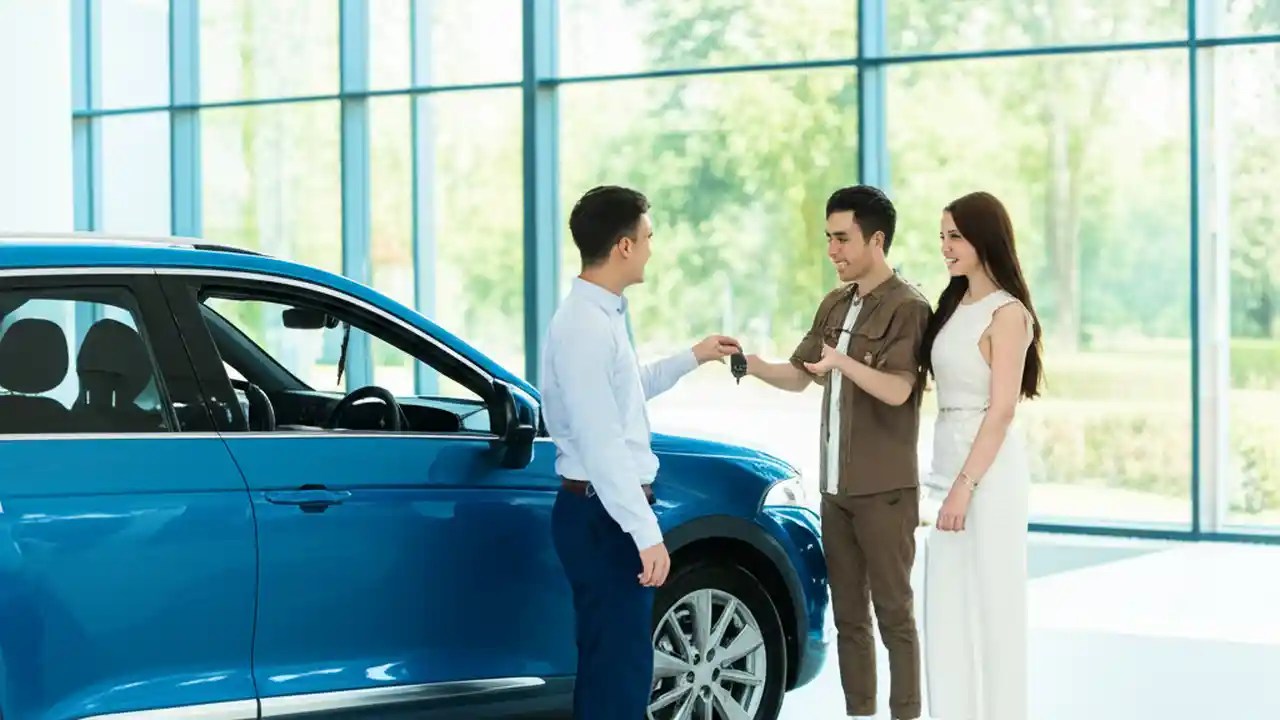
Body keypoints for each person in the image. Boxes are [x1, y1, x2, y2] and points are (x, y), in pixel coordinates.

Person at [539, 185, 741, 718]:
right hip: (602, 514)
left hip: (603, 512)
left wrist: (694, 356)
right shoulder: (583, 326)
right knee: (619, 672)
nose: (652, 247)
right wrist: (646, 534)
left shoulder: (601, 315)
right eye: (648, 237)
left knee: (617, 667)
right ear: (624, 246)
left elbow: (626, 391)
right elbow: (602, 443)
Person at [742, 185, 931, 720]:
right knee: (849, 616)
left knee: (894, 614)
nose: (833, 250)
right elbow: (801, 375)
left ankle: (907, 714)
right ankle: (860, 713)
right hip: (836, 491)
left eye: (842, 238)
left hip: (885, 492)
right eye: (829, 238)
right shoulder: (834, 303)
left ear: (876, 239)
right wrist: (751, 363)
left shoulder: (908, 307)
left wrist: (842, 363)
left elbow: (898, 389)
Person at [918, 190, 1043, 720]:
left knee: (995, 610)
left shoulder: (1008, 314)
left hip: (987, 477)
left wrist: (965, 487)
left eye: (955, 236)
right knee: (945, 610)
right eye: (942, 235)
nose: (945, 246)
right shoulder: (952, 306)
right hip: (946, 465)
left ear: (984, 239)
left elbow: (1002, 411)